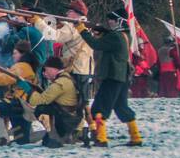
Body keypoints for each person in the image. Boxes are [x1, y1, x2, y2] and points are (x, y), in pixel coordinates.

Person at [79, 14, 142, 147]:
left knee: (99, 107)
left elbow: (95, 44)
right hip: (121, 76)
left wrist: (81, 30)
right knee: (121, 107)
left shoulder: (115, 36)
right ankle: (135, 137)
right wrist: (102, 32)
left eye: (112, 20)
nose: (110, 22)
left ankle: (101, 139)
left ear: (119, 21)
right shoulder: (125, 35)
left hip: (112, 76)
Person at [27, 56, 80, 148]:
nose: (44, 73)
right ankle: (54, 133)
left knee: (41, 109)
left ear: (53, 69)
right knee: (46, 141)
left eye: (46, 70)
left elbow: (40, 100)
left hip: (65, 120)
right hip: (69, 116)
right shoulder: (66, 79)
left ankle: (55, 134)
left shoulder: (60, 83)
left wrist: (28, 90)